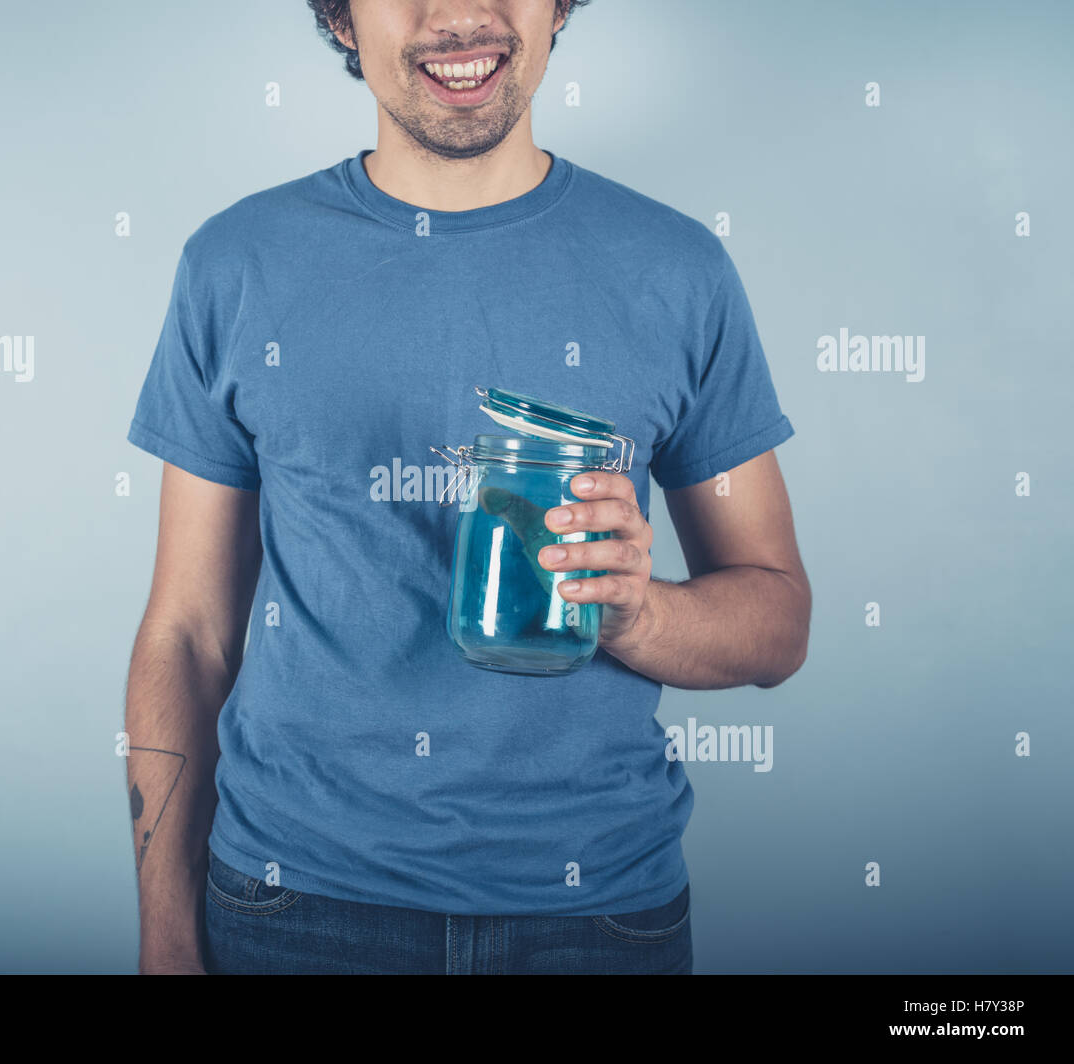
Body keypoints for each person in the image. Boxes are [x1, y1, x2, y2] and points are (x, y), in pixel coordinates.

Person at [123, 0, 810, 975]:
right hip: (292, 904)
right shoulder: (234, 266)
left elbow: (777, 622)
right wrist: (163, 935)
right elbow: (185, 632)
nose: (460, 15)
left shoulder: (676, 271)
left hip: (596, 912)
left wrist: (632, 614)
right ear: (338, 18)